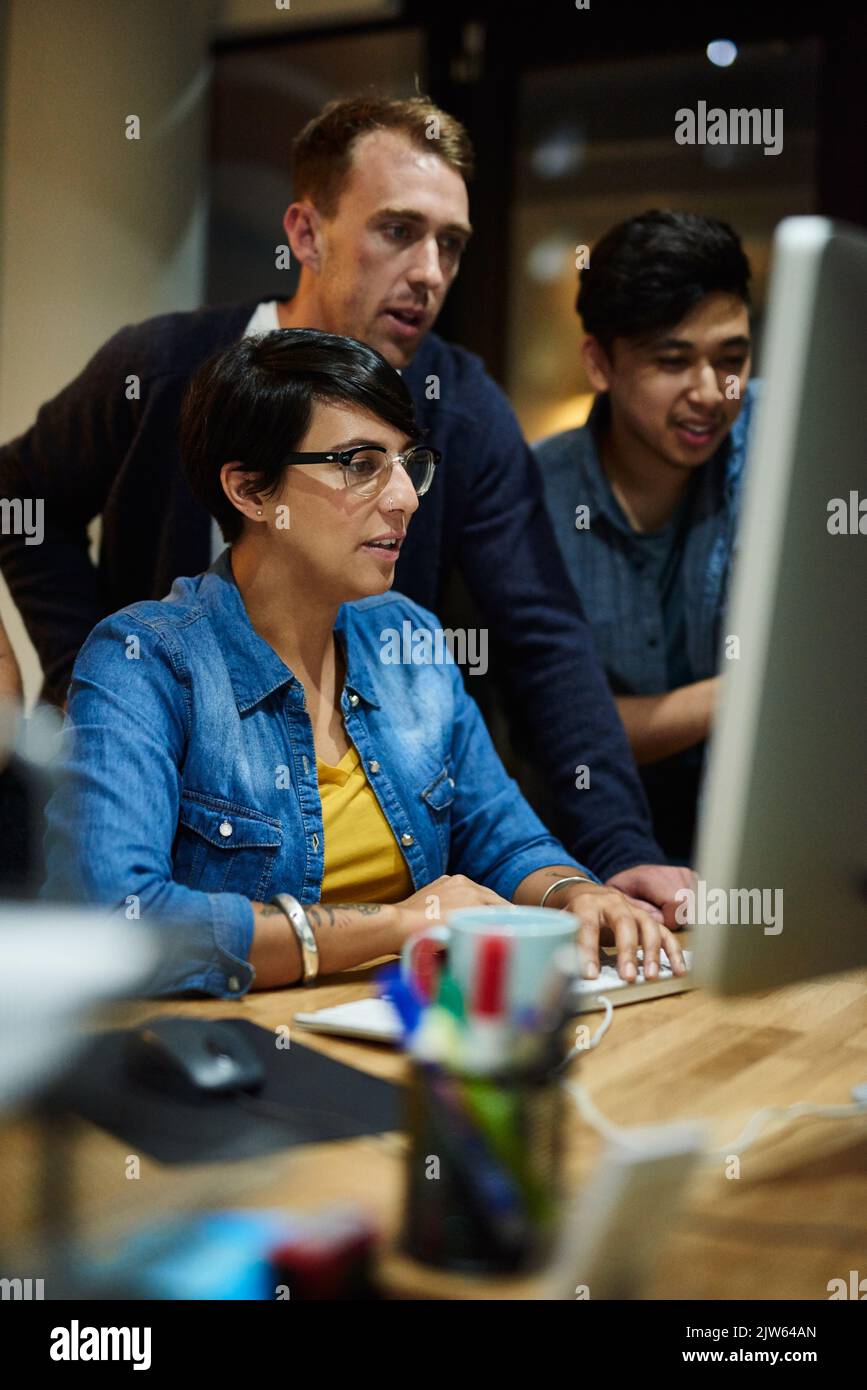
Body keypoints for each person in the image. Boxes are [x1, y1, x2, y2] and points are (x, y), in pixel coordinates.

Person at [0, 93, 690, 911]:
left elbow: (545, 640)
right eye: (398, 231)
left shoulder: (462, 408)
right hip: (162, 781)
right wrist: (92, 665)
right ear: (304, 234)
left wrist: (612, 855)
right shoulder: (162, 364)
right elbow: (21, 497)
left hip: (335, 790)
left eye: (452, 245)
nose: (430, 272)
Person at [42, 330, 687, 996]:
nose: (405, 497)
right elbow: (117, 920)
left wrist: (577, 895)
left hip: (403, 1021)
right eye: (359, 463)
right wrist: (395, 925)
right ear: (251, 491)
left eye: (407, 463)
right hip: (226, 1055)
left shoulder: (407, 636)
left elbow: (504, 838)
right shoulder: (143, 662)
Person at [535, 210, 758, 860]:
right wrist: (749, 691)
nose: (710, 393)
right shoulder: (533, 497)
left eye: (731, 359)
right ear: (599, 363)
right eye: (672, 360)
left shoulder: (789, 446)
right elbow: (561, 725)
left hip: (770, 848)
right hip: (589, 866)